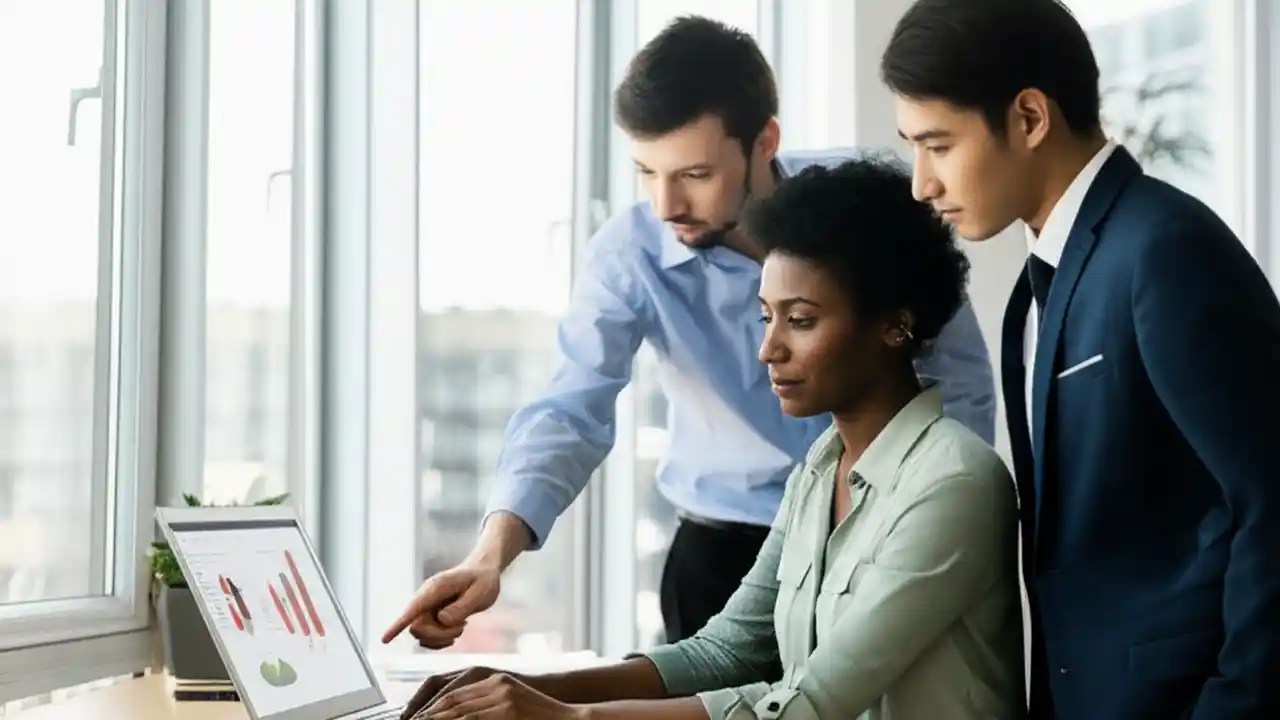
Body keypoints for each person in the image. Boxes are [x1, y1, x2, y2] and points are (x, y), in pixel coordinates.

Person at [383, 15, 994, 651]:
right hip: (723, 556)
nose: (665, 203)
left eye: (695, 175)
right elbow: (569, 410)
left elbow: (959, 383)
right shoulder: (629, 254)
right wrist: (489, 557)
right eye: (647, 173)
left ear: (764, 141)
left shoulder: (867, 204)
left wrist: (945, 525)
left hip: (878, 534)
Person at [396, 157, 1022, 720]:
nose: (768, 349)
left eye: (801, 321)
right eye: (766, 316)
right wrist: (527, 685)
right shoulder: (819, 469)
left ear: (894, 326)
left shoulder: (954, 482)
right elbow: (724, 653)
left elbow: (808, 703)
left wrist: (565, 719)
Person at [882, 1, 1280, 718]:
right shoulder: (1037, 289)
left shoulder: (1164, 250)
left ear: (1030, 117)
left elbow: (1272, 502)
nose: (921, 184)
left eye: (938, 145)